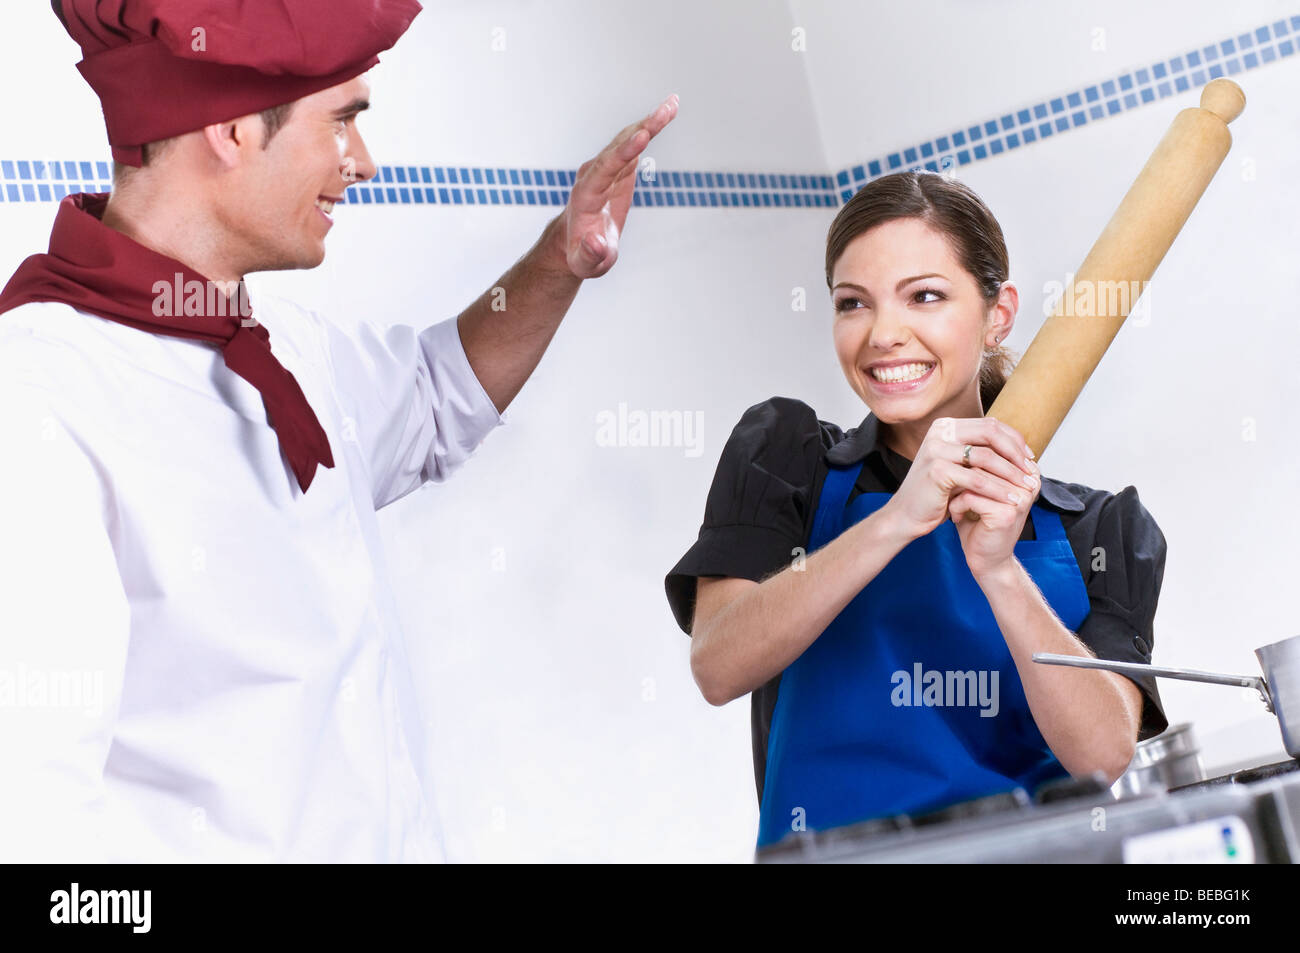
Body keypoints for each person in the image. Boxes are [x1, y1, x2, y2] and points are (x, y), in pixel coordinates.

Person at [0, 0, 677, 861]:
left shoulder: (286, 348)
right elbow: (34, 824)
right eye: (345, 121)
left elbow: (438, 395)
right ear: (235, 129)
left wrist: (561, 257)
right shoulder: (39, 398)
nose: (363, 162)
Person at [664, 170, 1169, 850]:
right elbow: (718, 664)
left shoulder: (1101, 529)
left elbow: (1103, 753)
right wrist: (897, 520)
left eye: (924, 296)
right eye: (853, 303)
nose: (883, 334)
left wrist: (999, 571)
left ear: (998, 313)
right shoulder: (789, 462)